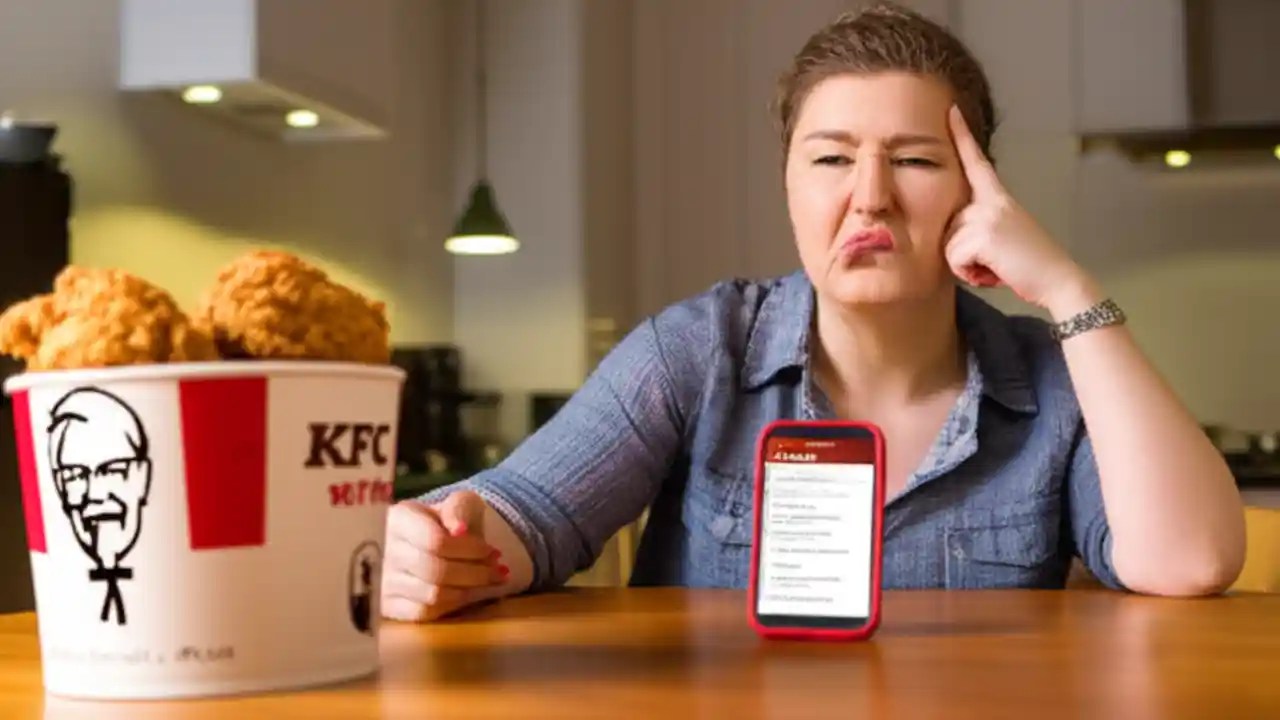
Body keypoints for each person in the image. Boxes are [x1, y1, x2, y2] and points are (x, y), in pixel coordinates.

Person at [380, 3, 1246, 622]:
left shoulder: (1053, 381)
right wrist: (433, 552)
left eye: (913, 160)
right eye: (831, 159)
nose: (870, 199)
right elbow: (524, 513)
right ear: (789, 184)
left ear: (979, 192)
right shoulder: (697, 351)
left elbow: (1191, 561)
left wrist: (1067, 289)